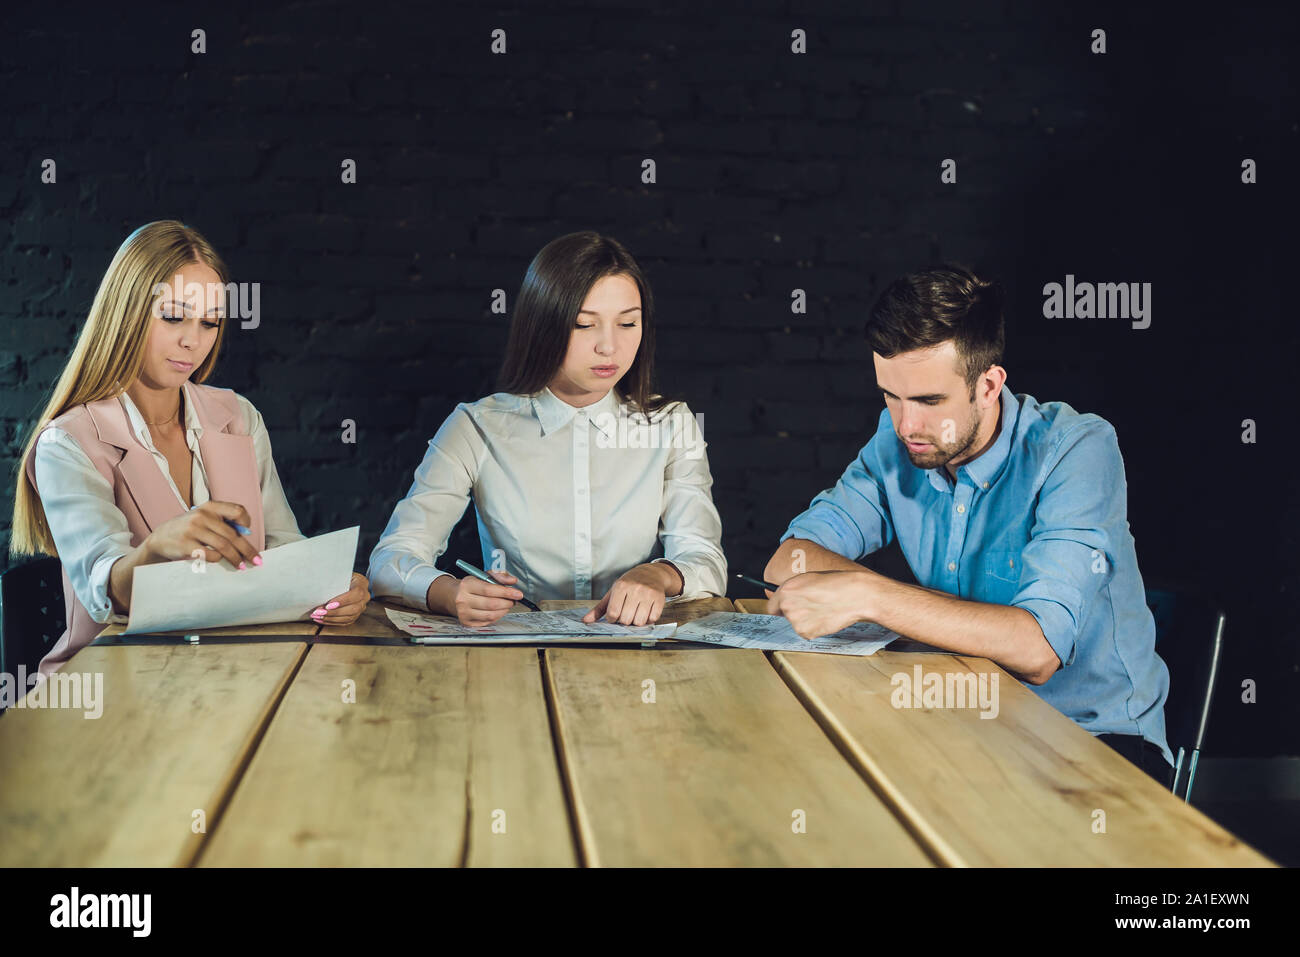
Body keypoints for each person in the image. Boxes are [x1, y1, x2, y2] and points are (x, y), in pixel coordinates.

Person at [763, 264, 1174, 787]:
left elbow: (1038, 651)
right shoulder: (900, 441)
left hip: (1094, 742)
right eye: (890, 395)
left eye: (930, 401)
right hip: (960, 721)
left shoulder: (1076, 448)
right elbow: (788, 560)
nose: (906, 425)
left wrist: (870, 595)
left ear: (988, 385)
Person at [10, 221, 369, 676]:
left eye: (209, 322)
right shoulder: (69, 442)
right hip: (111, 682)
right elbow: (104, 593)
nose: (192, 341)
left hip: (233, 671)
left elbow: (282, 550)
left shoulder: (239, 417)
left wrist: (332, 588)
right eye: (174, 316)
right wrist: (154, 550)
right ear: (128, 312)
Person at [369, 231, 727, 627]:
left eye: (628, 323)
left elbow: (705, 559)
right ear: (543, 326)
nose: (609, 347)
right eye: (583, 324)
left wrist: (656, 576)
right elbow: (391, 560)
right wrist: (450, 594)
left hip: (631, 645)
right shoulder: (477, 427)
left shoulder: (671, 425)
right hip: (516, 647)